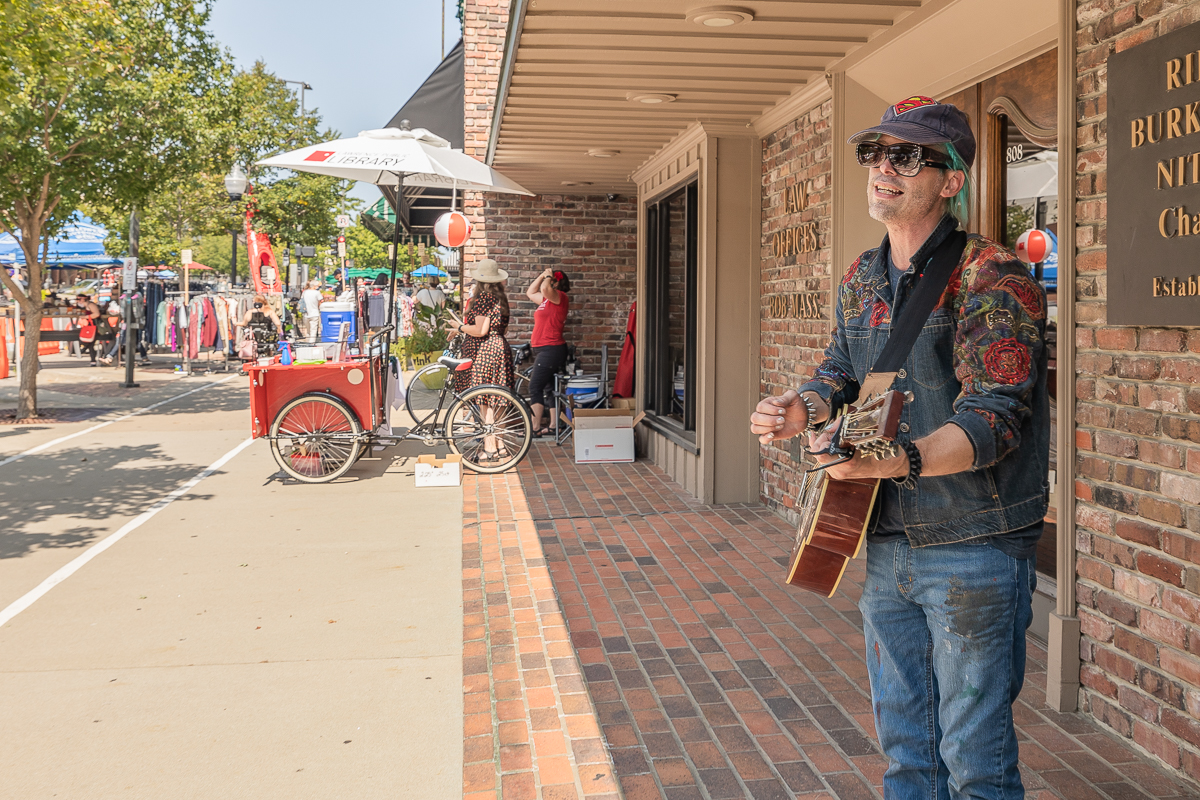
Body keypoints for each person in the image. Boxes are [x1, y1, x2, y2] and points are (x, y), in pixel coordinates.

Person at [749, 97, 1048, 800]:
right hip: (886, 541)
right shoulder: (862, 275)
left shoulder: (994, 275)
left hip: (975, 543)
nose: (885, 167)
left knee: (976, 763)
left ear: (950, 180)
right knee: (907, 754)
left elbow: (996, 416)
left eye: (908, 156)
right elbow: (840, 370)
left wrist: (898, 460)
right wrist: (803, 406)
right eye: (876, 153)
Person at [445, 259, 515, 458]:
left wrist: (459, 327)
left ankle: (489, 447)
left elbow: (480, 330)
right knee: (498, 399)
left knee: (485, 400)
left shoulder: (483, 298)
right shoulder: (501, 299)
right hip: (499, 348)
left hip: (484, 352)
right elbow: (501, 329)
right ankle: (500, 445)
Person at [524, 268, 571, 436]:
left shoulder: (560, 297)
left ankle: (534, 428)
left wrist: (548, 277)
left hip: (551, 349)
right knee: (549, 388)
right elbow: (530, 292)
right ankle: (554, 426)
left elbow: (544, 288)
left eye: (550, 280)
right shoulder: (547, 300)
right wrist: (542, 275)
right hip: (545, 349)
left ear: (555, 283)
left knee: (535, 386)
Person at [236, 294, 283, 360]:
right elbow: (278, 323)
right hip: (267, 339)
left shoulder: (250, 312)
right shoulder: (269, 312)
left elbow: (244, 323)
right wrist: (278, 330)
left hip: (253, 339)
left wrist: (235, 323)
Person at [76, 293, 102, 365]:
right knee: (90, 343)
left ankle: (91, 358)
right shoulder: (85, 306)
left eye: (79, 299)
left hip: (95, 325)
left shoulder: (91, 305)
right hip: (90, 325)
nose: (78, 301)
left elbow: (96, 314)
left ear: (83, 299)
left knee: (90, 342)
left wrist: (86, 317)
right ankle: (92, 360)